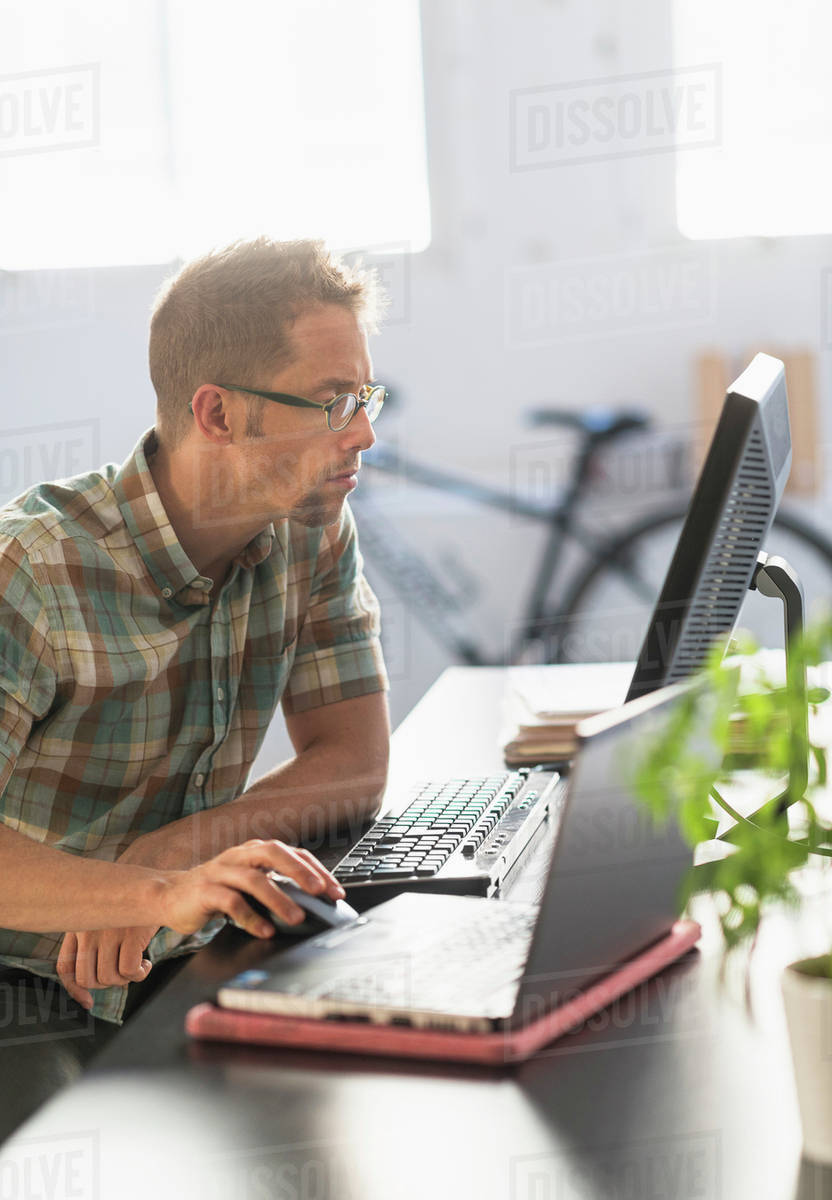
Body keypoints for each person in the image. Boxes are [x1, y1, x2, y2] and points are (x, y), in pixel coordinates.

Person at [0, 237, 391, 1064]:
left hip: (173, 954)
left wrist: (174, 857)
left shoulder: (310, 527)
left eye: (364, 397)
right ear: (216, 413)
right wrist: (152, 889)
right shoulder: (35, 569)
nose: (360, 434)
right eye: (330, 402)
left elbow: (353, 762)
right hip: (23, 983)